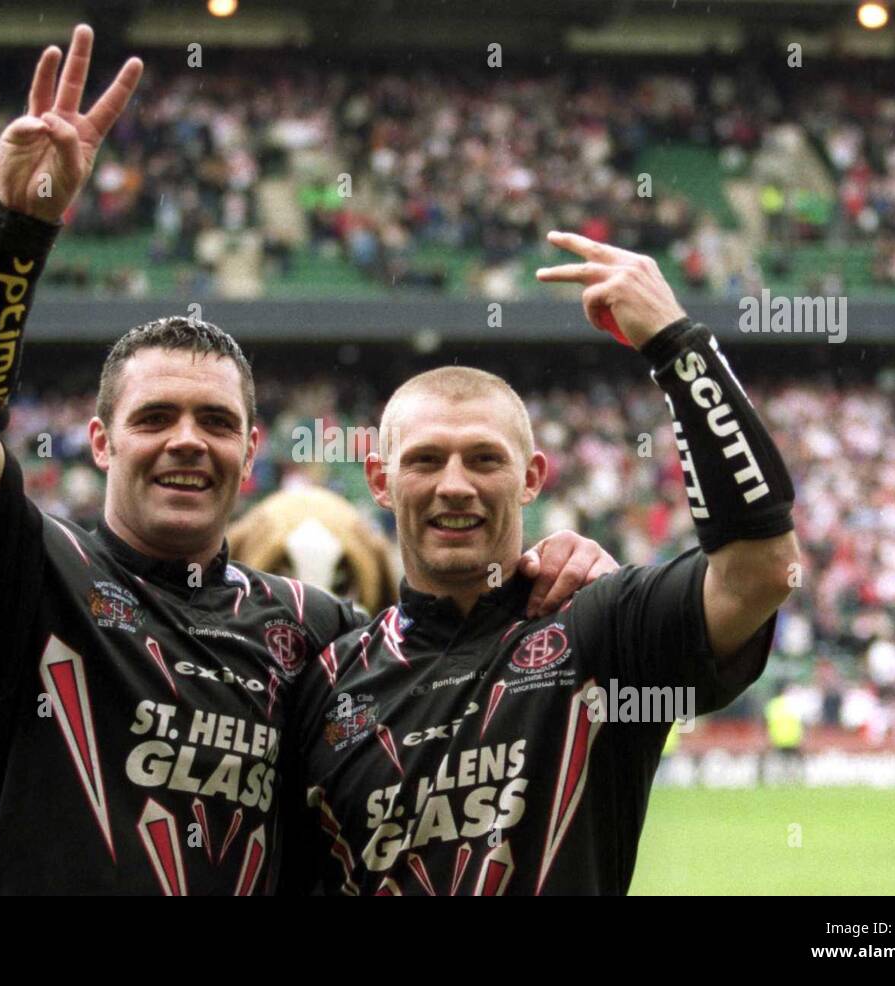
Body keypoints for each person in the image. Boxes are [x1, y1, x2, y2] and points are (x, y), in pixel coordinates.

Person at [0, 25, 616, 895]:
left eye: (214, 421)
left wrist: (554, 565)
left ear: (250, 452)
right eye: (155, 416)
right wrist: (15, 229)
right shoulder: (32, 572)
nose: (185, 440)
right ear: (101, 442)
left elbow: (434, 707)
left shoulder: (315, 630)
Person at [283, 232, 800, 895]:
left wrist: (679, 348)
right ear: (381, 481)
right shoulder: (326, 680)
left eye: (484, 458)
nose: (455, 485)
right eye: (425, 460)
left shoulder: (601, 629)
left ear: (531, 477)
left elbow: (762, 570)